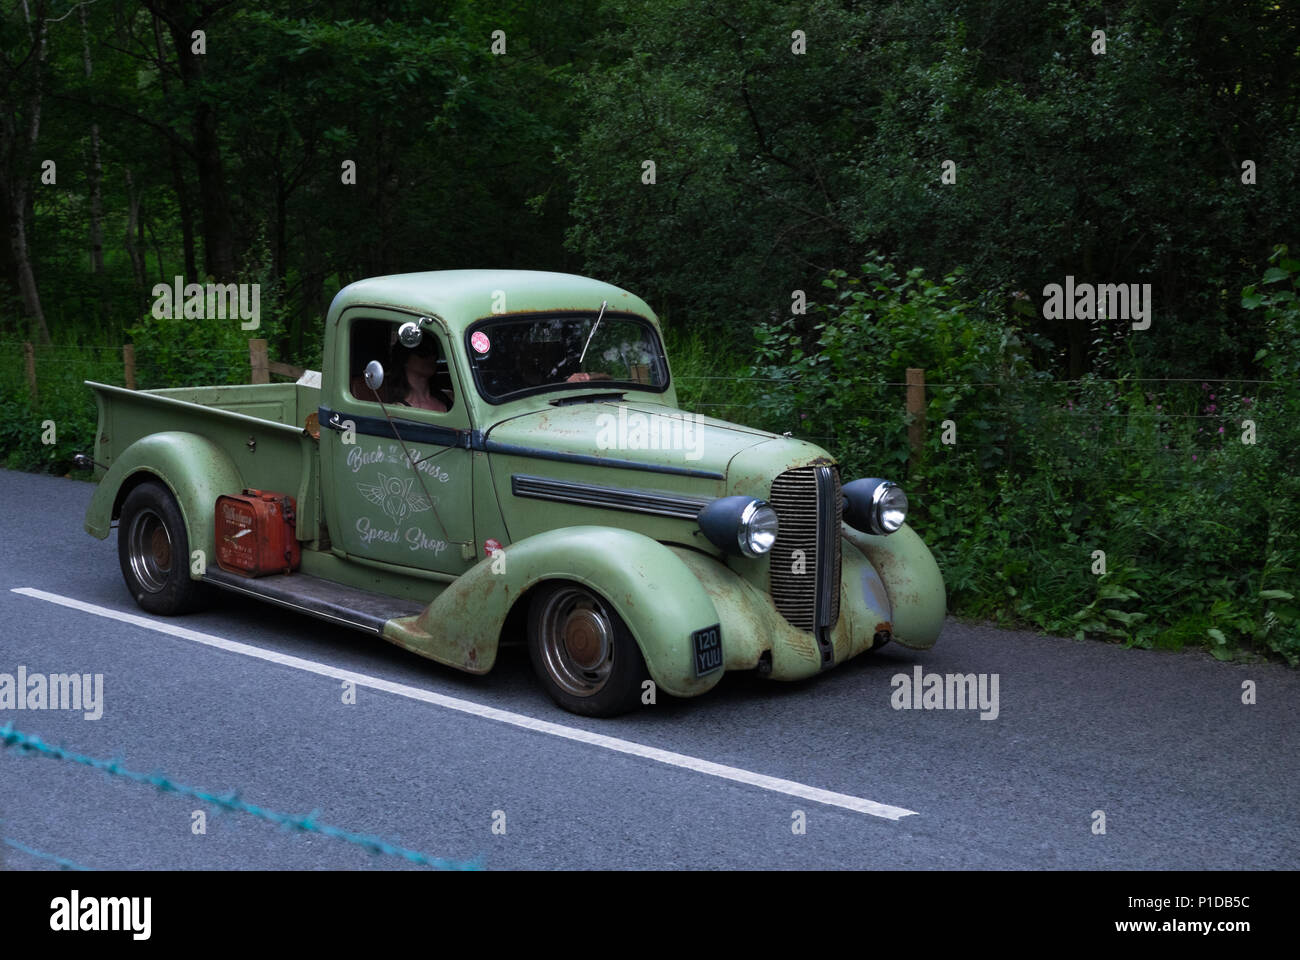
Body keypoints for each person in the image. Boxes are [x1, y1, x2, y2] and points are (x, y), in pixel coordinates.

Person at [386, 337, 452, 412]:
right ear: (404, 358)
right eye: (423, 352)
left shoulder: (448, 397)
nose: (431, 357)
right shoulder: (397, 409)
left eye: (434, 352)